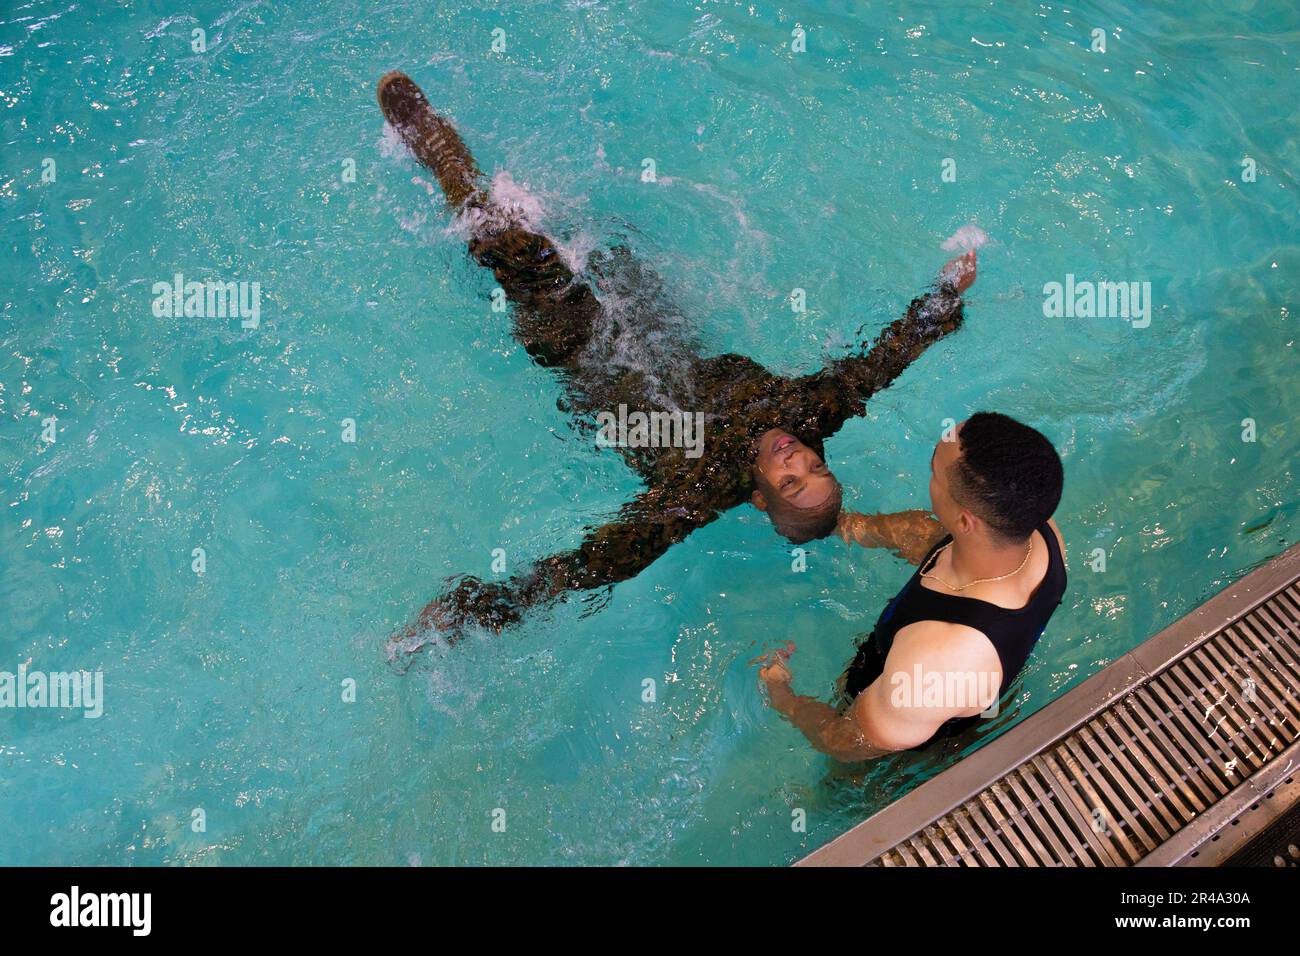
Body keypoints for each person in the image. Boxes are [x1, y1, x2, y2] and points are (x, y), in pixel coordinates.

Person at [376, 71, 977, 641]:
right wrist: (943, 298)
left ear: (759, 496)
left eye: (790, 482)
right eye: (815, 469)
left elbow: (602, 562)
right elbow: (876, 367)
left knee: (523, 255)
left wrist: (476, 610)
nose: (797, 461)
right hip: (653, 324)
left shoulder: (702, 485)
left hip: (589, 364)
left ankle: (447, 165)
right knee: (602, 243)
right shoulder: (809, 415)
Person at [758, 413, 1067, 759]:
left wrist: (779, 692)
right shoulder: (1038, 528)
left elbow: (844, 742)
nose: (929, 475)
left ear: (965, 521)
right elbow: (929, 536)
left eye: (935, 472)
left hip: (904, 752)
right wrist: (822, 521)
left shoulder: (934, 668)